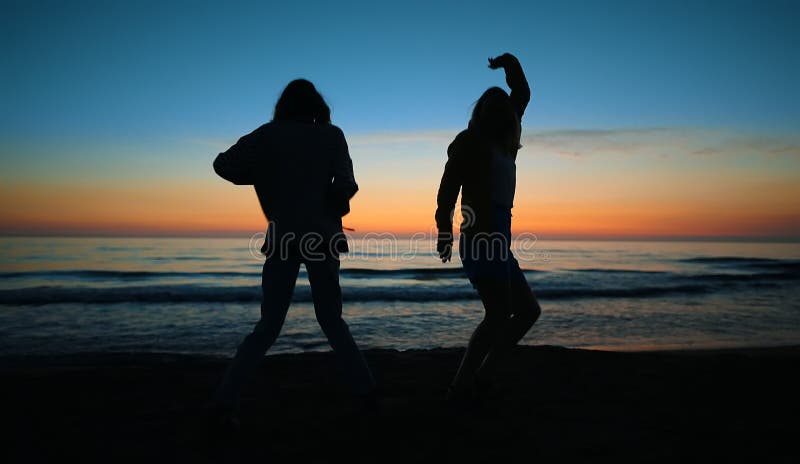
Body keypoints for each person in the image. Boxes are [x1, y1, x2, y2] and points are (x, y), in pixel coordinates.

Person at [212, 79, 375, 428]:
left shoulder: (268, 135)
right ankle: (366, 393)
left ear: (283, 105)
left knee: (269, 324)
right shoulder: (332, 135)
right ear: (316, 104)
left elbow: (222, 164)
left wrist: (263, 175)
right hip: (322, 235)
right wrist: (331, 199)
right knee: (331, 319)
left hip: (284, 235)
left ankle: (226, 400)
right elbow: (347, 182)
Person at [435, 53, 542, 404]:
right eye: (492, 106)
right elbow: (448, 189)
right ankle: (461, 386)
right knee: (497, 315)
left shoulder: (508, 145)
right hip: (480, 237)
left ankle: (482, 376)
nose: (504, 111)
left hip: (501, 238)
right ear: (481, 114)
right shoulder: (470, 143)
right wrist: (444, 231)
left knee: (527, 312)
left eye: (504, 108)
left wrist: (509, 62)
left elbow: (522, 92)